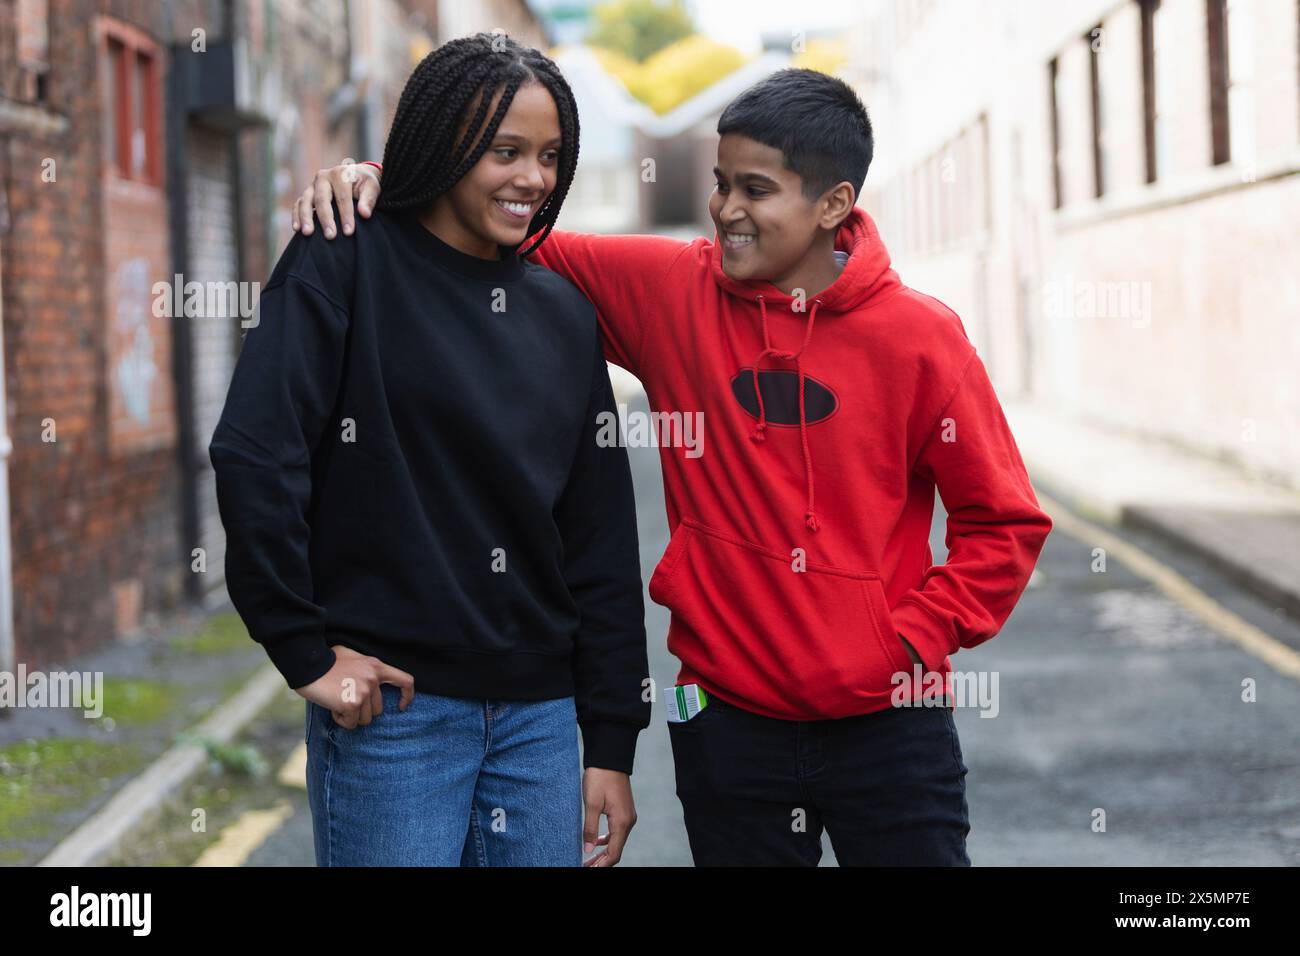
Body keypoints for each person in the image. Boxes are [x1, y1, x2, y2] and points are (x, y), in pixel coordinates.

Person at [295, 67, 1054, 866]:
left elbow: (1004, 521)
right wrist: (384, 178)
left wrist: (909, 638)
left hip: (894, 723)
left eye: (756, 190)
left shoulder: (922, 338)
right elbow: (510, 223)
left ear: (833, 205)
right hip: (726, 726)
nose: (726, 209)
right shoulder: (674, 291)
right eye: (721, 184)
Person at [208, 33, 650, 867]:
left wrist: (612, 742)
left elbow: (598, 538)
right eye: (505, 150)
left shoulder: (561, 313)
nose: (533, 179)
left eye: (550, 156)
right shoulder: (343, 258)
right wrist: (303, 651)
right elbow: (257, 453)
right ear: (443, 138)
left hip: (540, 727)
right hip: (395, 721)